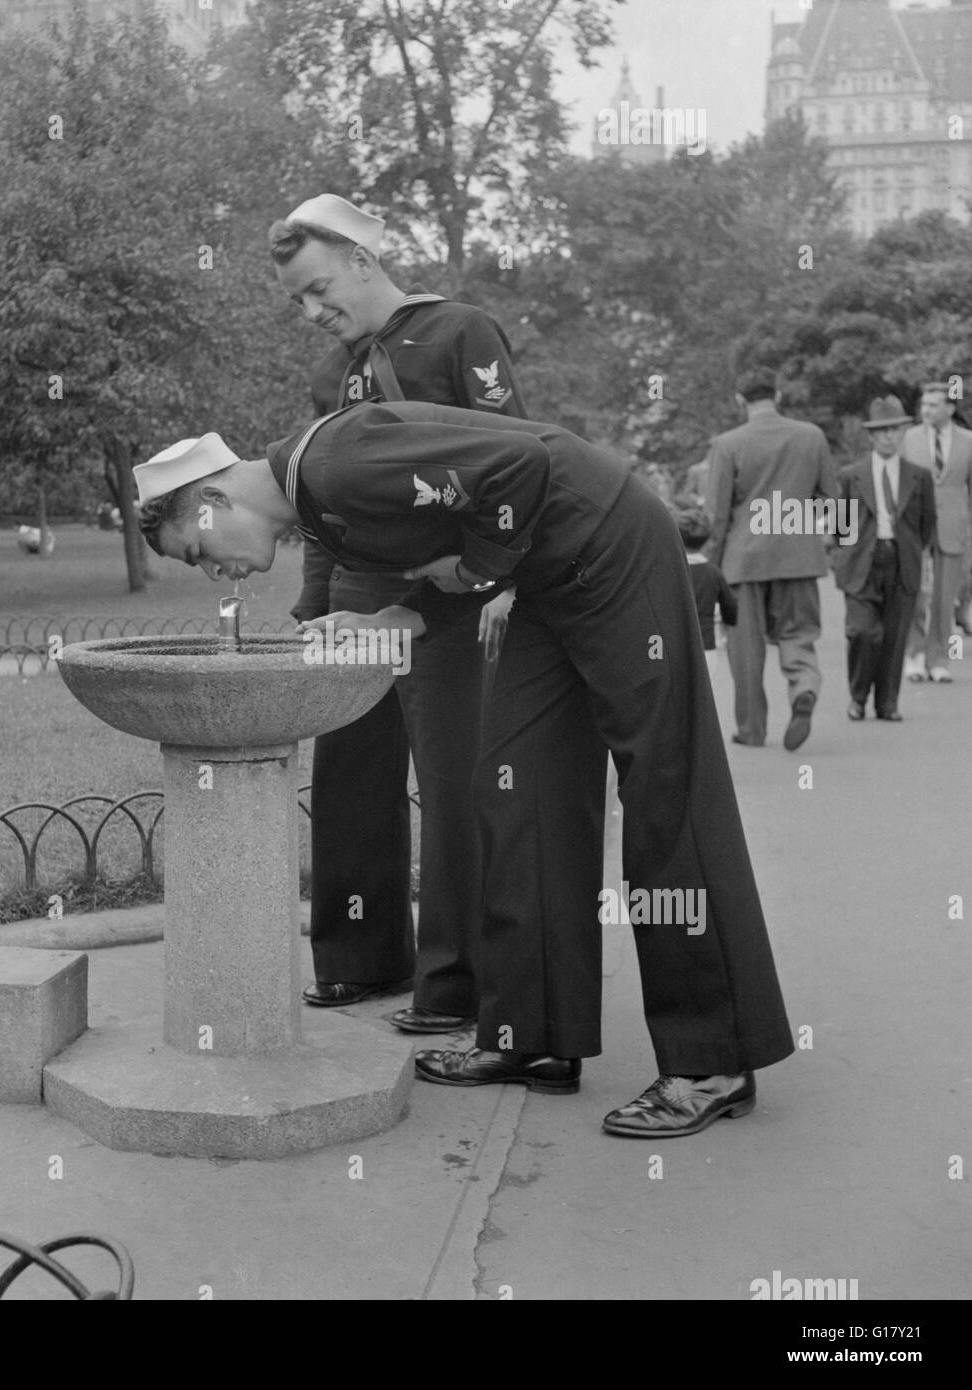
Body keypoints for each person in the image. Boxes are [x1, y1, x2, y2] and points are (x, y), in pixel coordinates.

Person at [133, 400, 795, 1139]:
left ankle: (713, 1058)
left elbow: (522, 469)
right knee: (518, 787)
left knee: (665, 788)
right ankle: (531, 1038)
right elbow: (471, 520)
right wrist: (400, 617)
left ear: (214, 498)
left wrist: (475, 567)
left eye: (192, 547)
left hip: (612, 546)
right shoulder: (319, 502)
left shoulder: (332, 465)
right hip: (547, 577)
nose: (207, 567)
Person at [268, 193, 528, 1035]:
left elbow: (517, 463)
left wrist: (505, 581)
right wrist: (314, 606)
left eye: (317, 289)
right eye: (298, 303)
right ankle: (357, 959)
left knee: (451, 783)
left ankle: (453, 983)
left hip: (445, 596)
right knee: (349, 777)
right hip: (354, 593)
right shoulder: (329, 374)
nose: (312, 312)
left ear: (360, 259)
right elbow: (319, 502)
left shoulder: (460, 333)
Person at [705, 367, 838, 752]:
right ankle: (804, 687)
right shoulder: (812, 436)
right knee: (799, 634)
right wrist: (836, 543)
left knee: (744, 647)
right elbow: (834, 496)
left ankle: (752, 729)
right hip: (799, 555)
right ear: (777, 396)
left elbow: (716, 514)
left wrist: (708, 563)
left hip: (744, 560)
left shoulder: (727, 444)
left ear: (740, 400)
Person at [833, 397, 935, 722]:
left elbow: (927, 524)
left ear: (903, 433)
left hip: (901, 561)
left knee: (894, 634)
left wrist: (910, 550)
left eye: (895, 430)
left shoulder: (918, 476)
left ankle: (887, 702)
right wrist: (849, 554)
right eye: (883, 431)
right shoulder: (852, 476)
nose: (890, 436)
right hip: (863, 561)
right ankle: (858, 697)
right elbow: (841, 526)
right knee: (863, 632)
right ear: (872, 436)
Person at [901, 382, 972, 684]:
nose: (925, 410)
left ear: (950, 408)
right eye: (923, 404)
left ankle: (940, 658)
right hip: (915, 526)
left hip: (953, 526)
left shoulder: (968, 441)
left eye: (933, 405)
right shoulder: (909, 438)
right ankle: (914, 655)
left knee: (946, 597)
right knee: (915, 593)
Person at [677, 508, 737, 681]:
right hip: (705, 643)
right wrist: (729, 621)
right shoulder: (713, 573)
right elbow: (730, 607)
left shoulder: (671, 569)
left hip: (675, 644)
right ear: (706, 539)